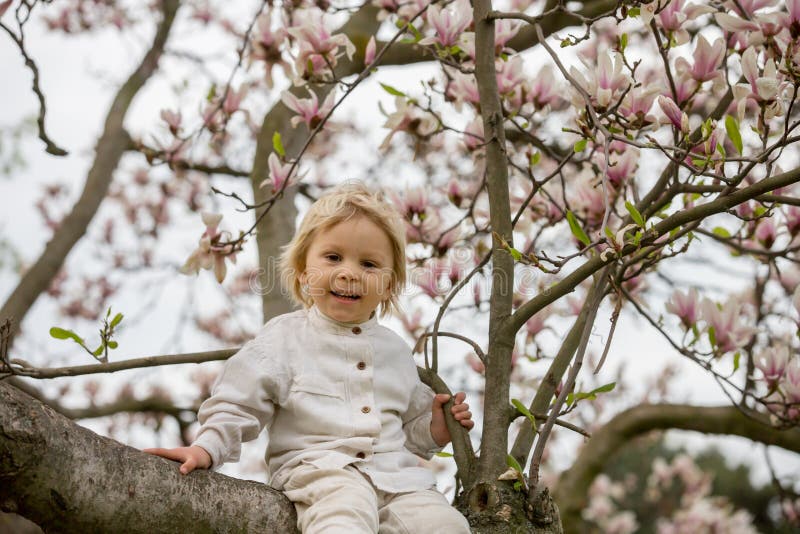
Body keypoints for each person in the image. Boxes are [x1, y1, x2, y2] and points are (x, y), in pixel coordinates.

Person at [145, 182, 473, 533]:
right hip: (321, 472)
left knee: (446, 524)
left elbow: (406, 432)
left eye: (369, 264)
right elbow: (238, 404)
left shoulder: (395, 351)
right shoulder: (285, 338)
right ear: (303, 270)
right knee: (345, 516)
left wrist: (437, 429)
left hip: (397, 479)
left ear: (389, 285)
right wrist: (206, 448)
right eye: (333, 257)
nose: (349, 272)